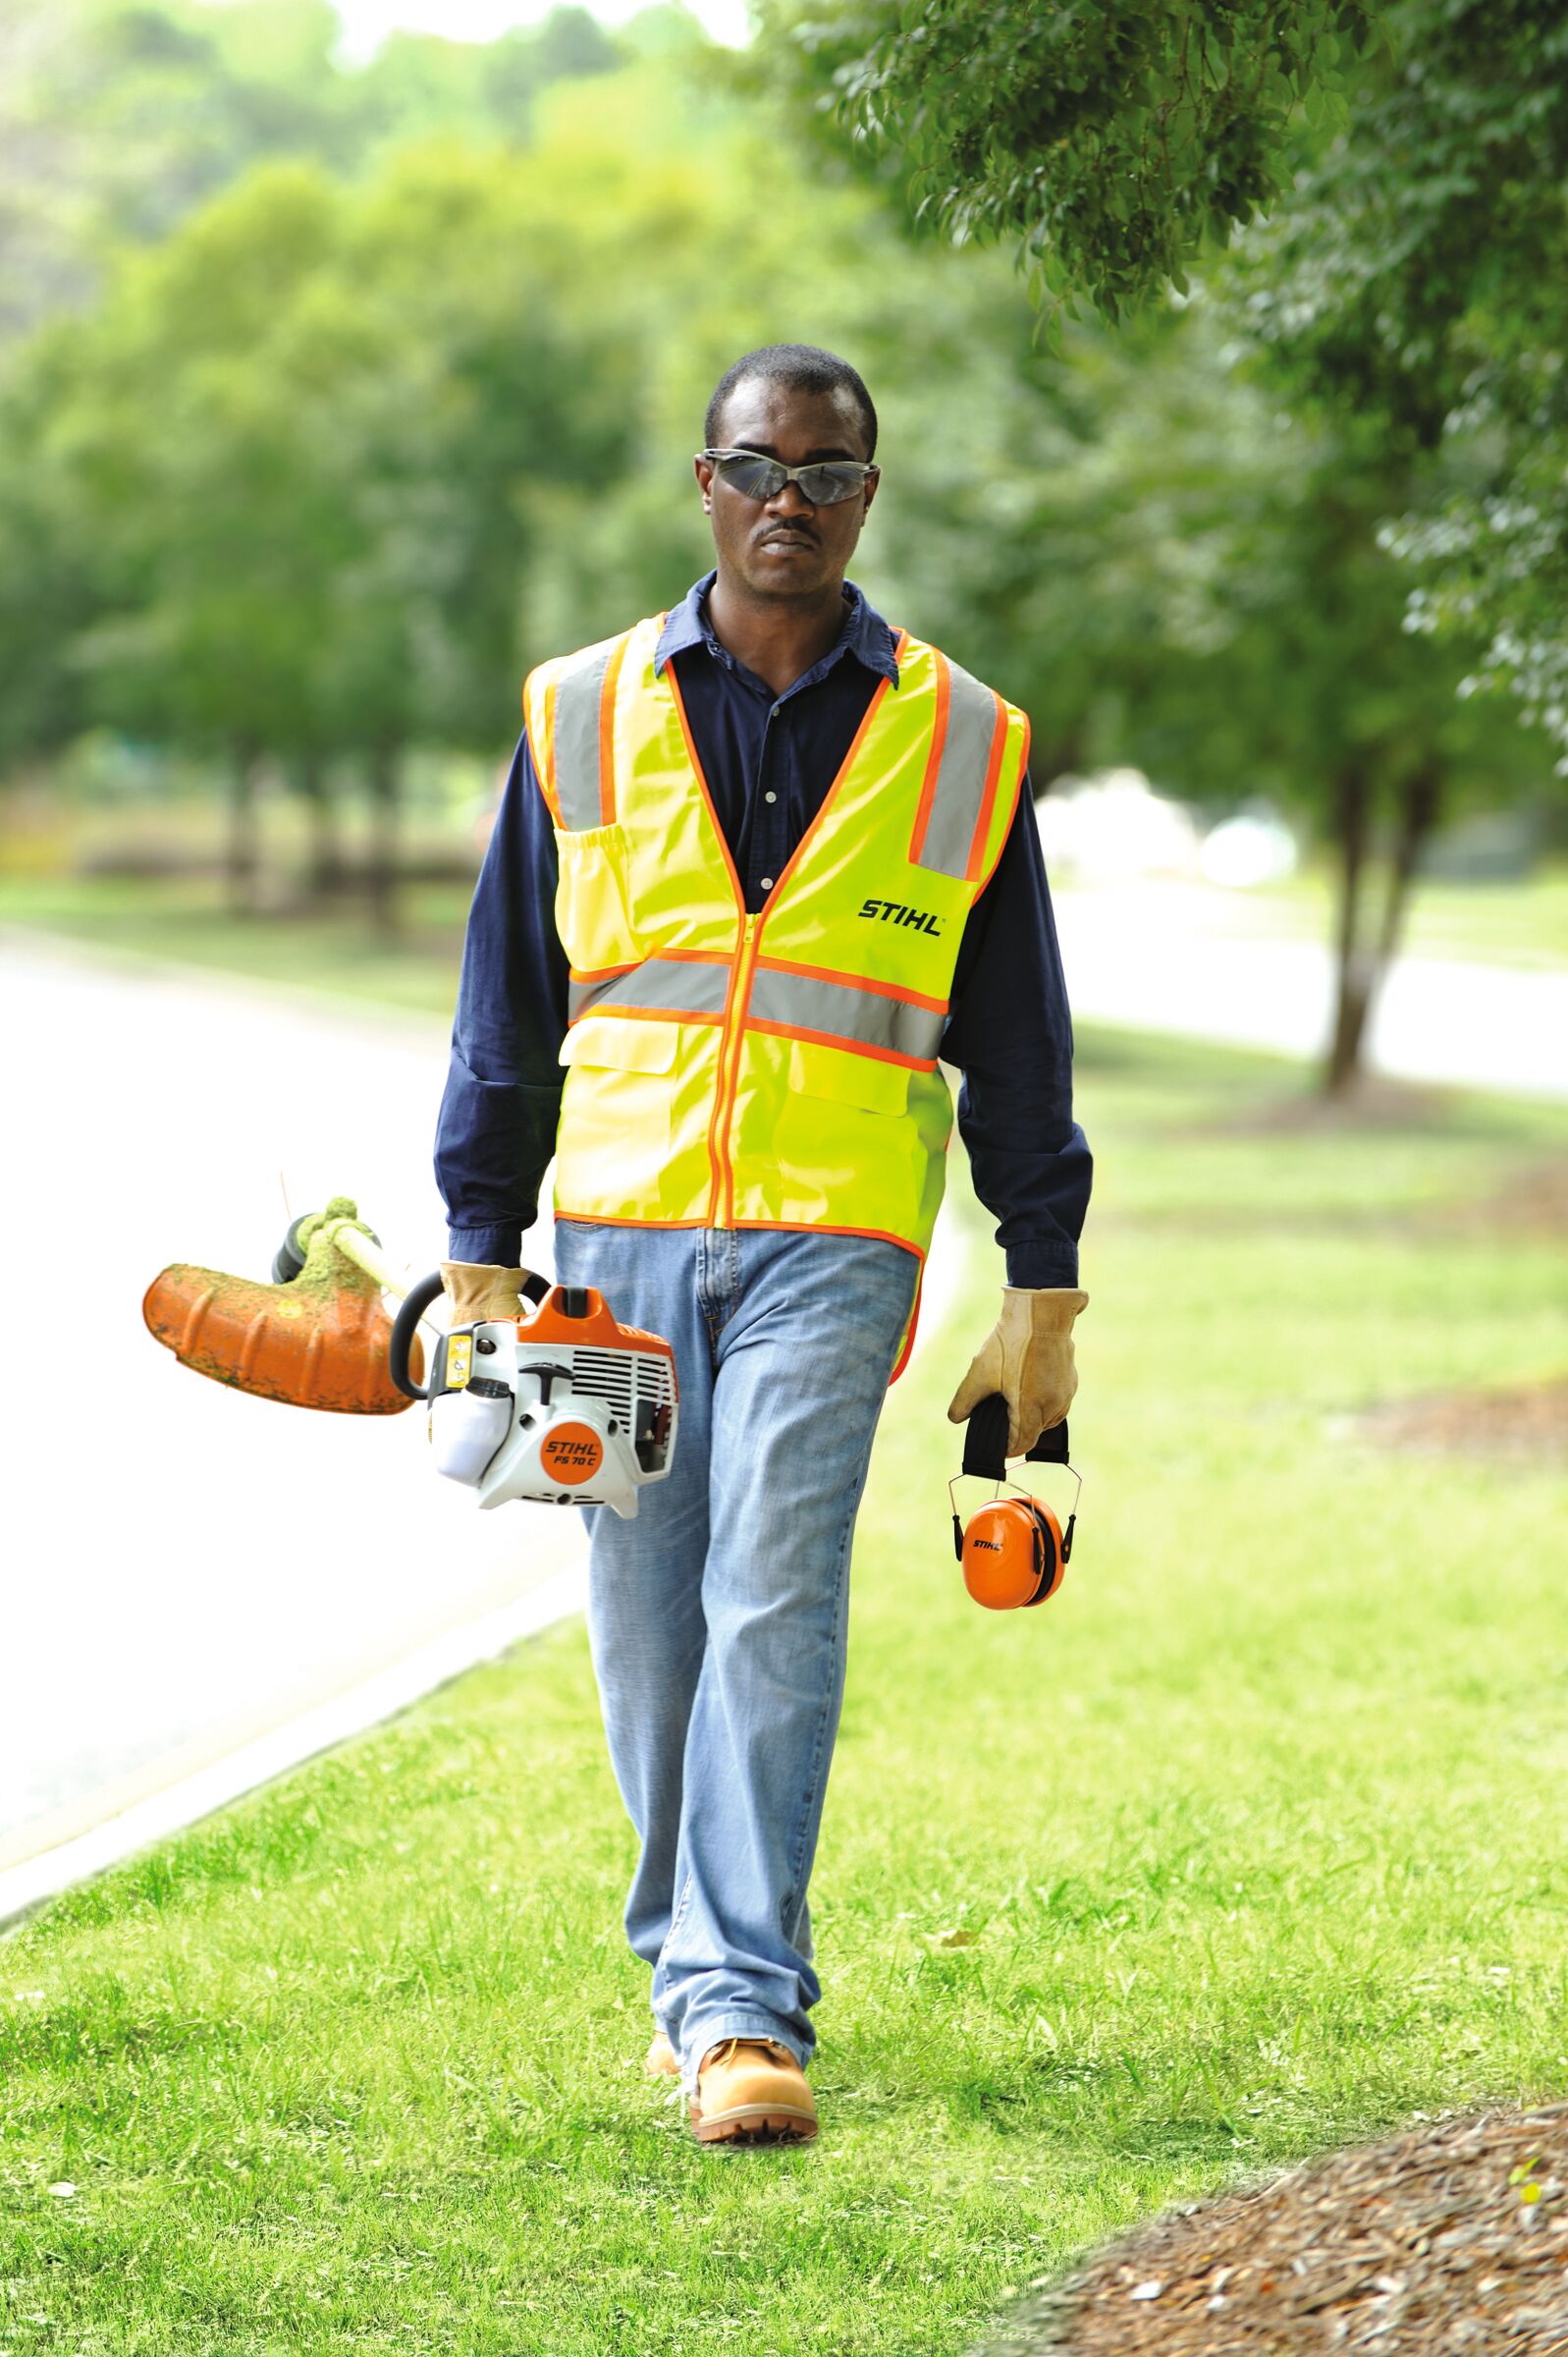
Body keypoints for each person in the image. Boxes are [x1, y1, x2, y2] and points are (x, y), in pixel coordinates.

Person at [434, 342, 1092, 2148]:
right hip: (613, 1244)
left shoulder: (964, 741)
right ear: (704, 484)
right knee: (645, 1621)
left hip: (833, 1241)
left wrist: (1044, 1278)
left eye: (826, 472)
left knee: (773, 1587)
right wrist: (478, 1235)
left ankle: (741, 2008)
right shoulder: (575, 711)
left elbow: (1015, 1033)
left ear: (866, 497)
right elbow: (506, 994)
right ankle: (688, 1969)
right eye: (757, 466)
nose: (788, 500)